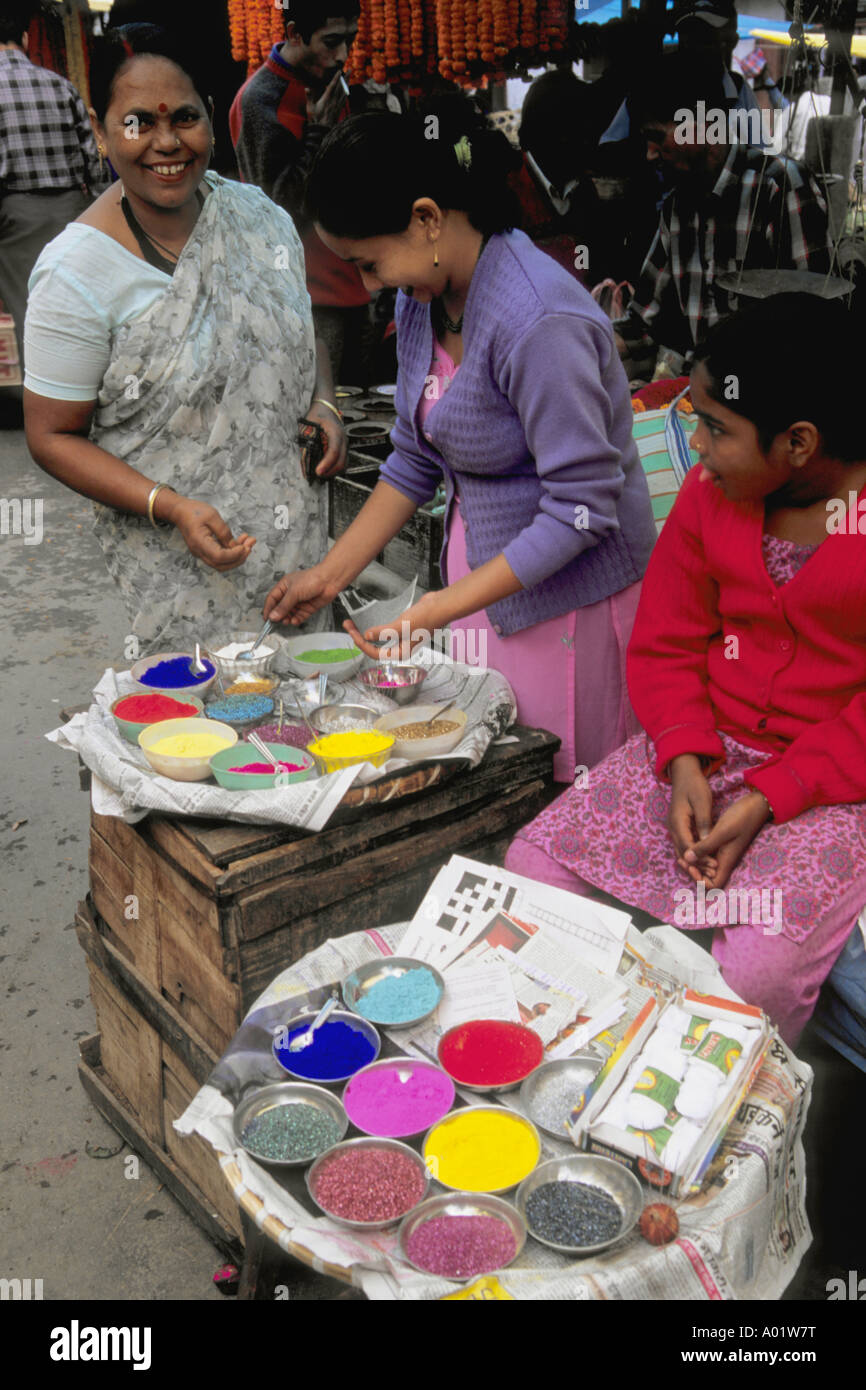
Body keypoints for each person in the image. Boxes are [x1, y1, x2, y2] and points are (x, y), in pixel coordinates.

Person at [507, 294, 866, 1046]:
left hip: (835, 782)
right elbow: (669, 642)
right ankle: (585, 1052)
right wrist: (683, 761)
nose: (693, 444)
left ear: (798, 442)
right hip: (706, 743)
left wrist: (773, 795)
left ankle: (692, 1102)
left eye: (716, 428)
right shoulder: (713, 498)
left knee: (757, 979)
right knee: (534, 871)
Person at [263, 98, 658, 781]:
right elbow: (415, 459)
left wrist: (435, 609)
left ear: (425, 219)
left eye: (368, 264)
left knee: (561, 792)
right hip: (489, 592)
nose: (366, 286)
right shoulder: (429, 299)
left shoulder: (539, 320)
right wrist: (329, 577)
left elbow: (581, 508)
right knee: (498, 777)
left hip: (574, 607)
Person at [23, 24, 345, 650]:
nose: (166, 143)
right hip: (176, 564)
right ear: (99, 129)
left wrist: (325, 405)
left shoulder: (260, 219)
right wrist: (171, 505)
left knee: (306, 726)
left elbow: (300, 337)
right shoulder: (76, 272)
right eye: (139, 121)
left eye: (187, 118)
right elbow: (50, 435)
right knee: (198, 733)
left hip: (298, 556)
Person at [614, 51, 832, 378]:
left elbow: (818, 327)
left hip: (769, 401)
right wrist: (588, 343)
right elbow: (644, 321)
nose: (649, 155)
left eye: (656, 138)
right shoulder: (677, 209)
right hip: (701, 397)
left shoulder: (781, 189)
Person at [229, 1, 370, 385]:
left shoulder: (331, 82)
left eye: (350, 40)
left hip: (358, 285)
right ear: (294, 33)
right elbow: (280, 209)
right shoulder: (260, 101)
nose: (342, 55)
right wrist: (320, 133)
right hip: (307, 299)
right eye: (331, 42)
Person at [0, 0, 105, 400]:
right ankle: (89, 388)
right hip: (70, 211)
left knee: (31, 310)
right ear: (24, 38)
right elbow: (91, 159)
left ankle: (53, 403)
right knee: (75, 304)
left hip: (15, 214)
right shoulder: (60, 85)